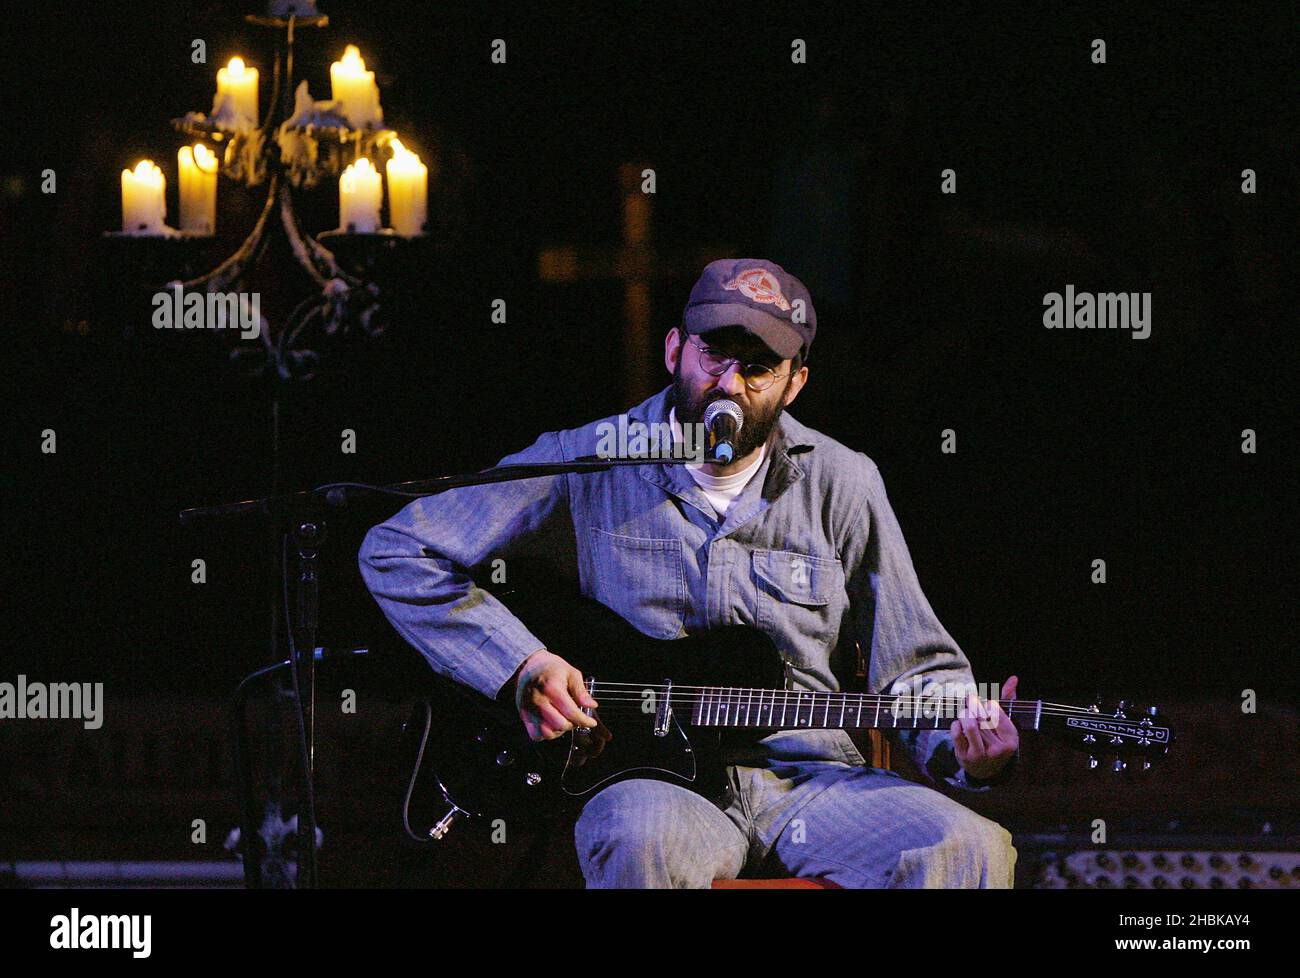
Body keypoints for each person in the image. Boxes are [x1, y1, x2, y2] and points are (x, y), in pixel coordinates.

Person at [359, 258, 1020, 888]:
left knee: (971, 847)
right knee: (638, 833)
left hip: (813, 786)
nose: (730, 383)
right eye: (714, 354)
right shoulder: (590, 460)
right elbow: (399, 550)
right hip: (663, 790)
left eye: (758, 367)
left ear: (795, 384)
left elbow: (916, 672)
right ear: (675, 349)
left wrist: (968, 751)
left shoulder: (844, 481)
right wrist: (522, 664)